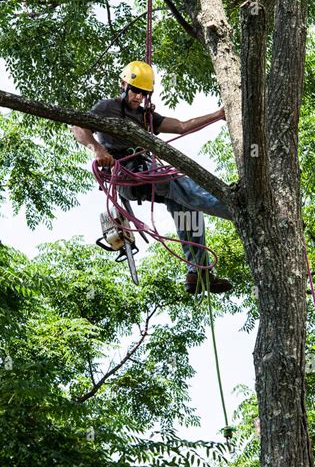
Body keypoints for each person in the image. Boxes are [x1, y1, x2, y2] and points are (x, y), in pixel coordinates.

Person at [72, 60, 233, 294]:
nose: (138, 97)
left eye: (144, 94)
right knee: (186, 187)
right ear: (124, 84)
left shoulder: (146, 116)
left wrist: (218, 115)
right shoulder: (107, 108)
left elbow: (181, 126)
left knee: (186, 209)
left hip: (146, 174)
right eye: (135, 91)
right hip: (130, 175)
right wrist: (97, 148)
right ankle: (238, 211)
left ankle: (198, 271)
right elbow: (78, 126)